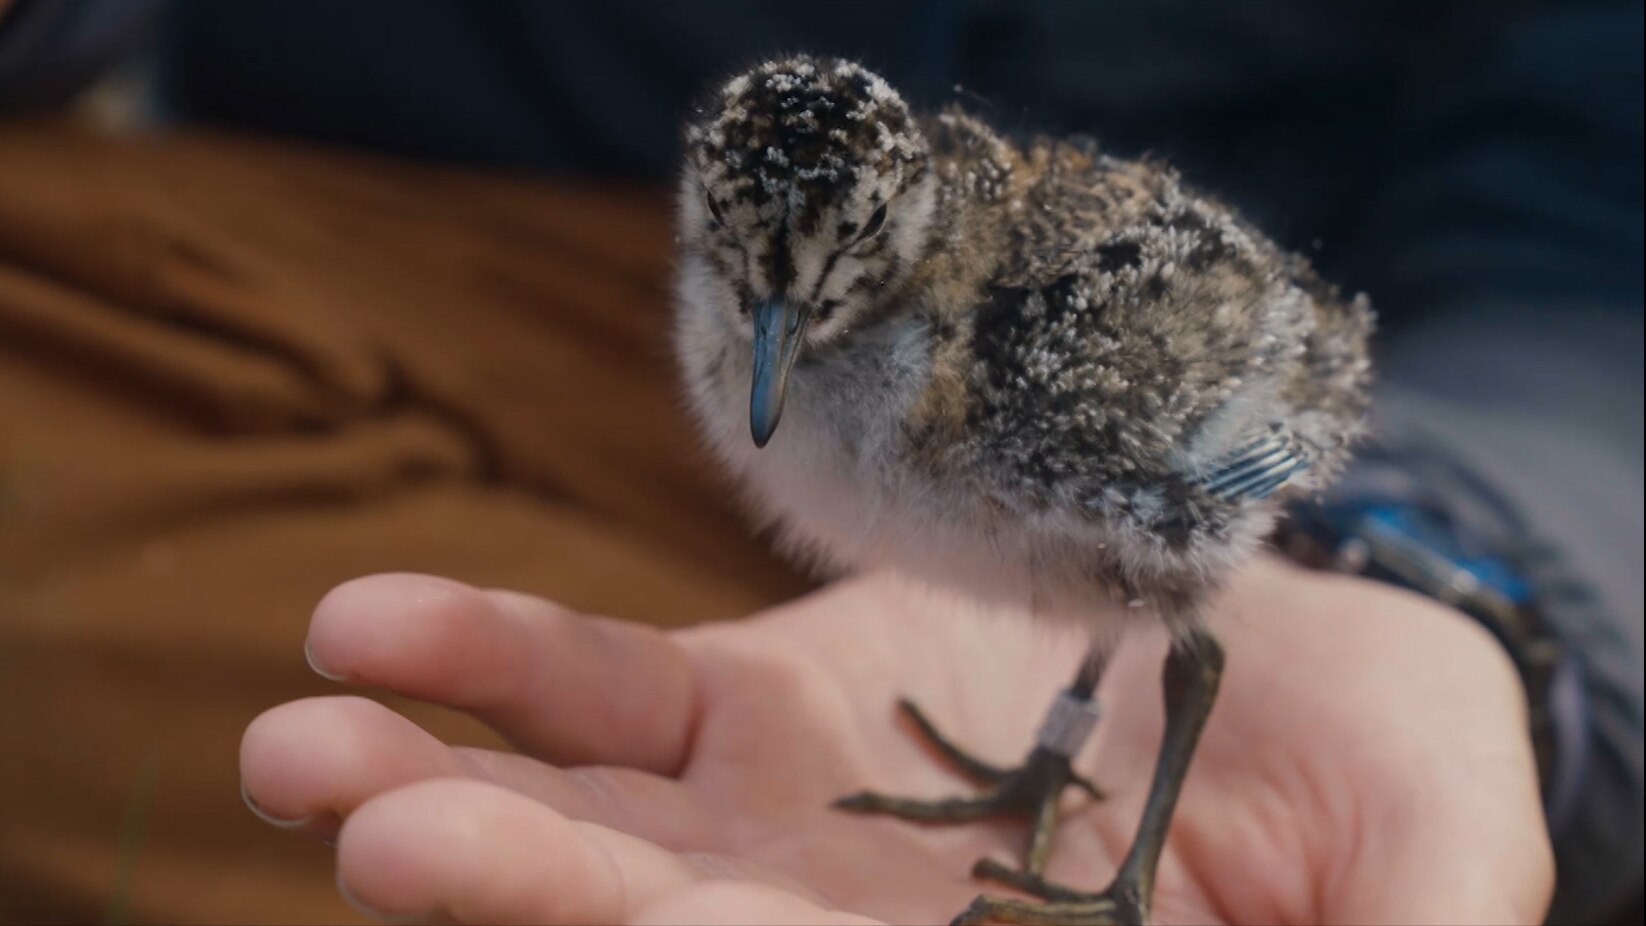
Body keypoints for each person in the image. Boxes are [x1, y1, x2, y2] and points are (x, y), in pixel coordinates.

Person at [3, 1, 1639, 923]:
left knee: (1144, 591)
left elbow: (1578, 222)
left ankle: (1113, 854)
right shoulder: (770, 297)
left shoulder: (1026, 356)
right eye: (742, 284)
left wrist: (1432, 563)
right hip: (413, 192)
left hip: (1388, 346)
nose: (765, 331)